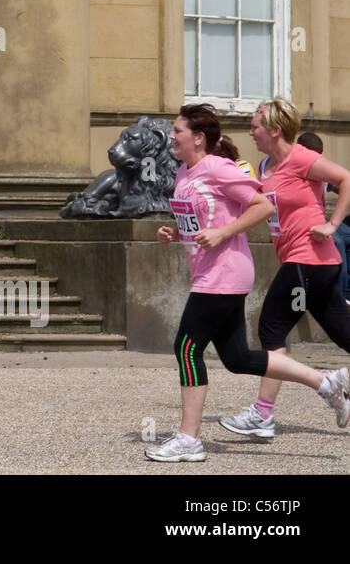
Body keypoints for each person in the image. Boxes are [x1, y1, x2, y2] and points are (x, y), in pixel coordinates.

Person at [145, 103, 347, 461]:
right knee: (237, 358)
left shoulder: (219, 168)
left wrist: (222, 233)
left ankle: (189, 439)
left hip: (226, 273)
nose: (172, 137)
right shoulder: (184, 173)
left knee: (187, 348)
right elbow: (203, 219)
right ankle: (326, 383)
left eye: (177, 131)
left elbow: (261, 206)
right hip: (210, 272)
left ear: (198, 137)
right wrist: (176, 233)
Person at [217, 98, 350, 440]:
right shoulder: (263, 167)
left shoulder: (301, 158)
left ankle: (262, 415)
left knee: (271, 329)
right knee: (344, 334)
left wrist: (333, 223)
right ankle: (332, 388)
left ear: (275, 130)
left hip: (308, 260)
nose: (251, 131)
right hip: (313, 265)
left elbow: (345, 179)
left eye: (255, 126)